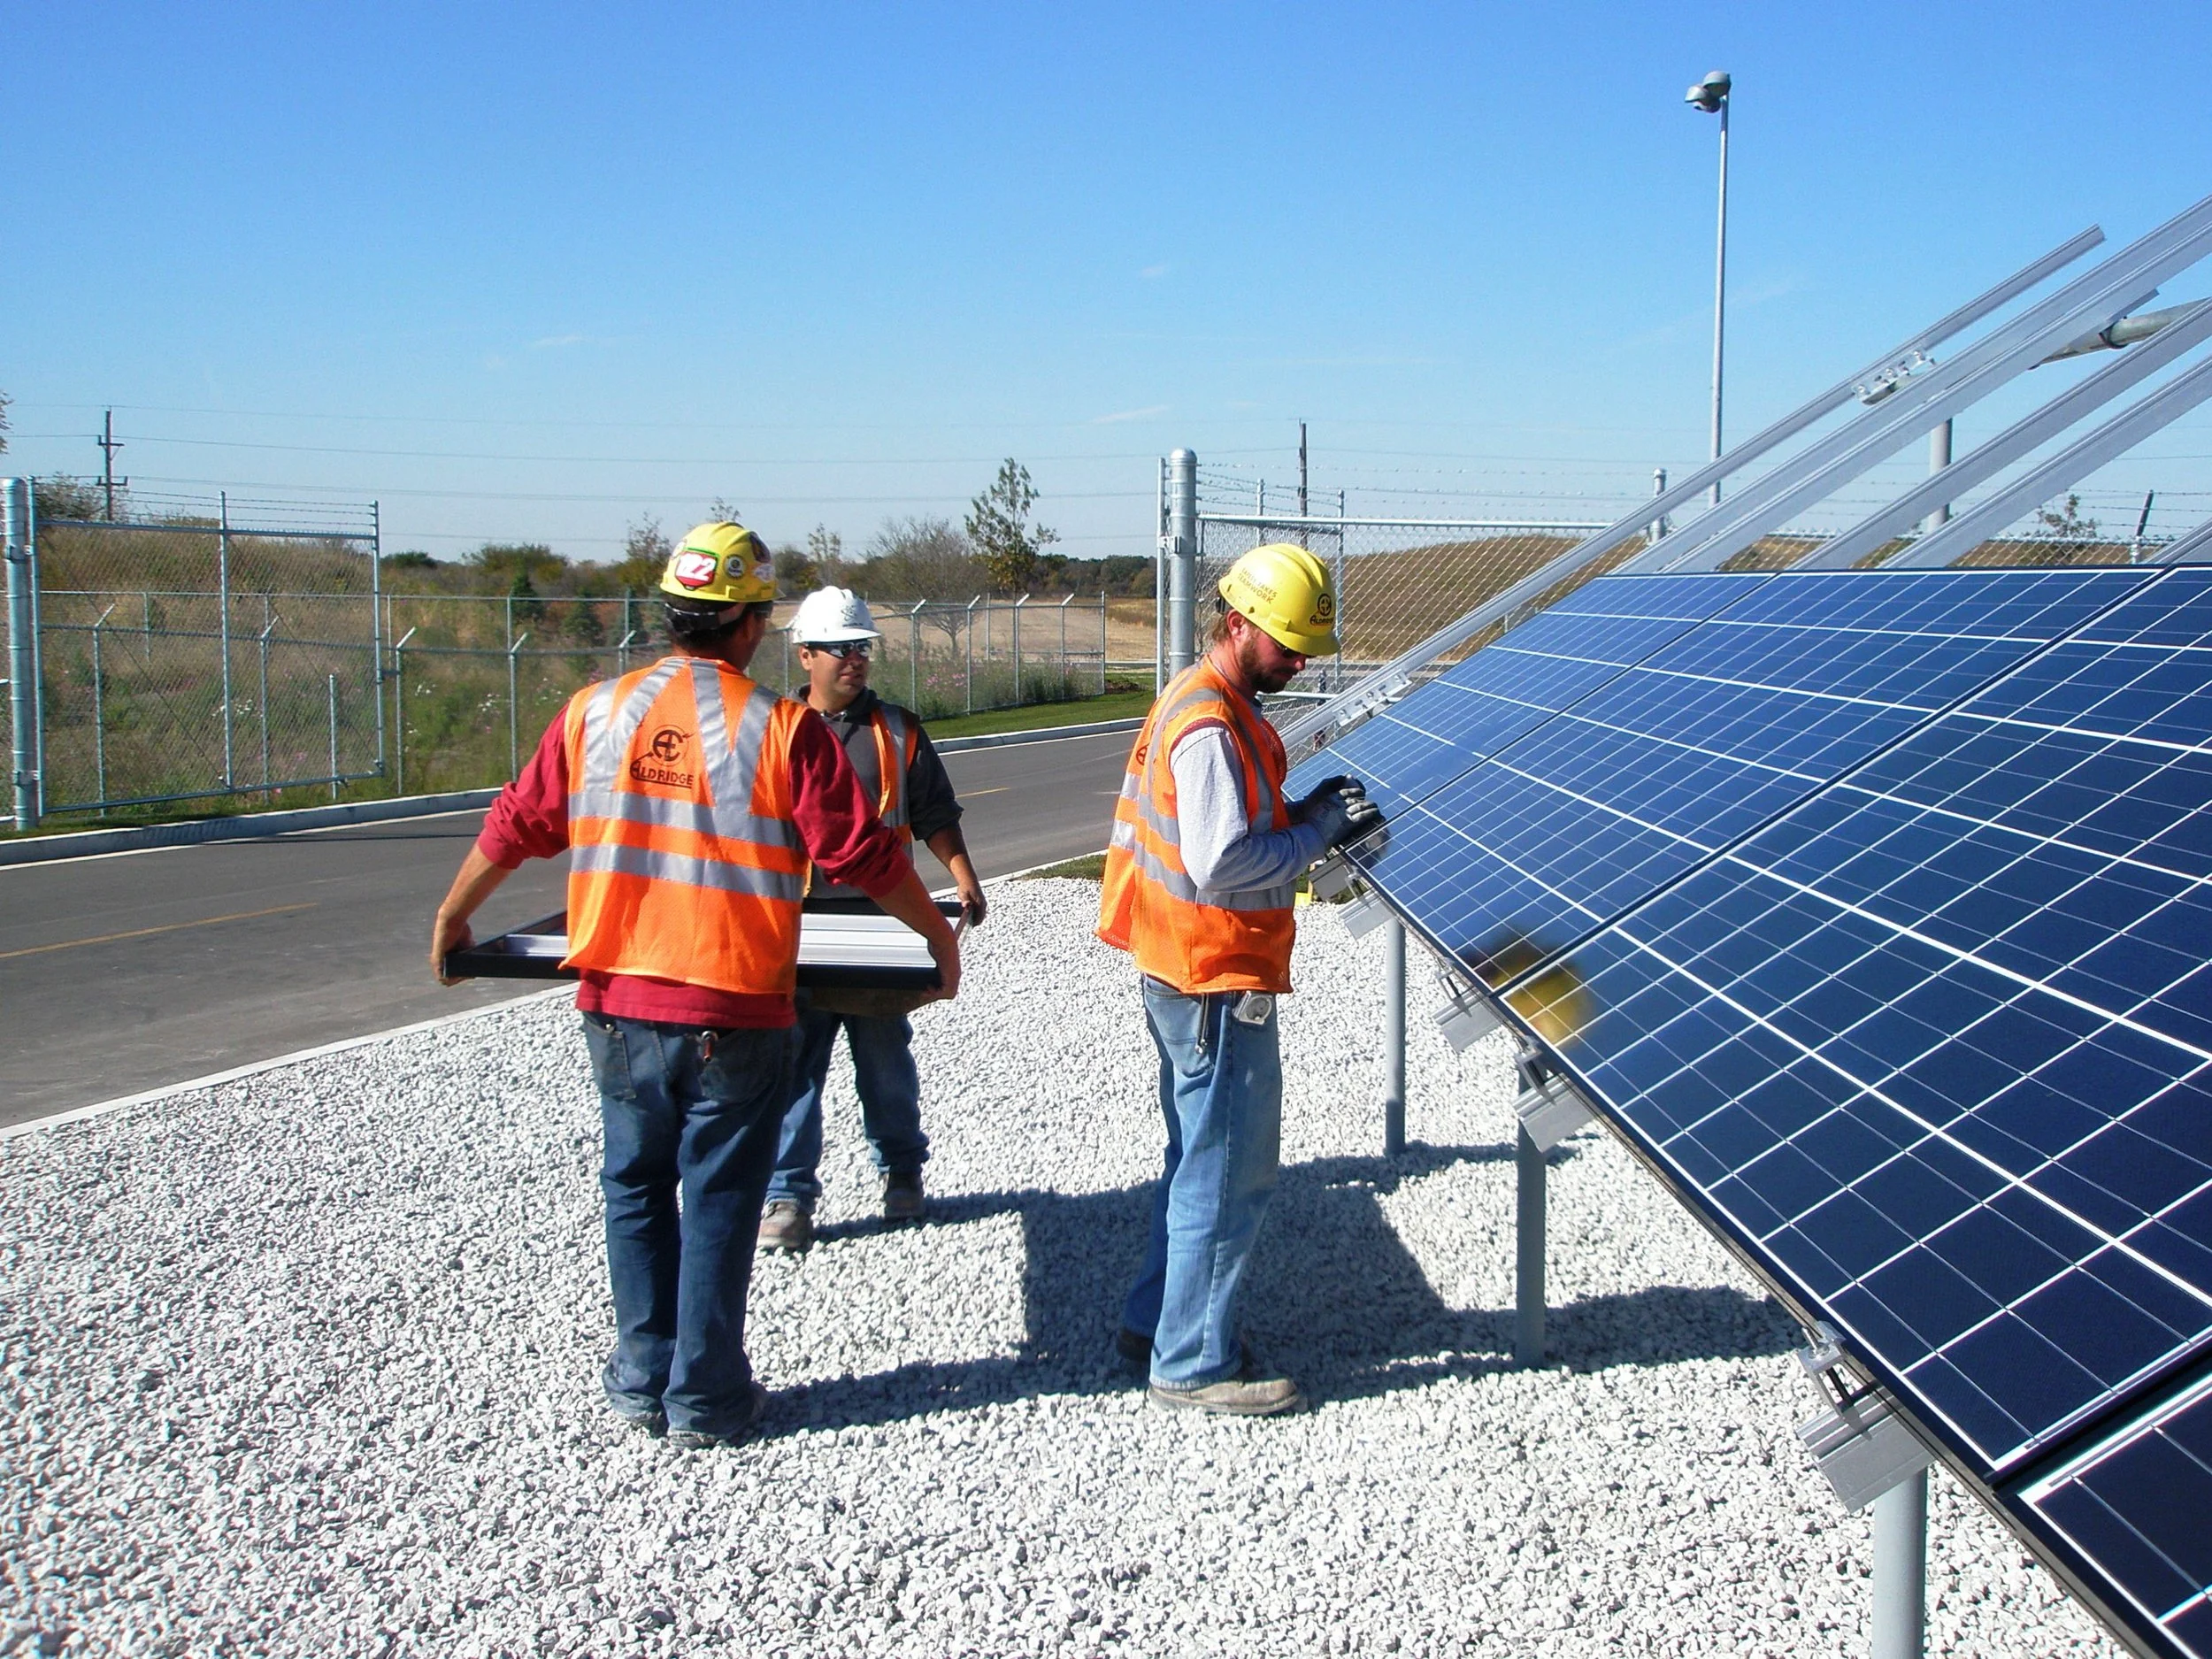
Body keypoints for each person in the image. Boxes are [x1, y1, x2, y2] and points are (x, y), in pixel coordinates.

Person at [428, 523, 962, 1450]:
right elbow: (864, 853)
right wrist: (933, 938)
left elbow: (519, 821)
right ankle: (707, 1399)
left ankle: (641, 1379)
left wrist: (453, 913)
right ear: (753, 625)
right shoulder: (781, 728)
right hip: (732, 1005)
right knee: (718, 1195)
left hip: (616, 1002)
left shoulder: (594, 711)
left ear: (672, 613)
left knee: (634, 1183)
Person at [1096, 544, 1382, 1417]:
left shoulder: (1204, 698)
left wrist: (1299, 812)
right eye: (1287, 646)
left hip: (1185, 965)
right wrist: (1321, 827)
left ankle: (1159, 1324)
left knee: (1197, 1163)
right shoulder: (1211, 727)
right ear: (1237, 625)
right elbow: (1223, 861)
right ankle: (1191, 1365)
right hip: (1215, 975)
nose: (1298, 664)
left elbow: (1234, 826)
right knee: (1227, 1176)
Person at [757, 586, 987, 1252]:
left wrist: (963, 878)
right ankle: (788, 1196)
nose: (854, 660)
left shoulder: (897, 731)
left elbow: (936, 813)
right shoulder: (773, 729)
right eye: (840, 648)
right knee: (794, 1070)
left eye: (861, 648)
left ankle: (902, 1172)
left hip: (880, 927)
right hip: (794, 930)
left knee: (885, 1063)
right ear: (805, 655)